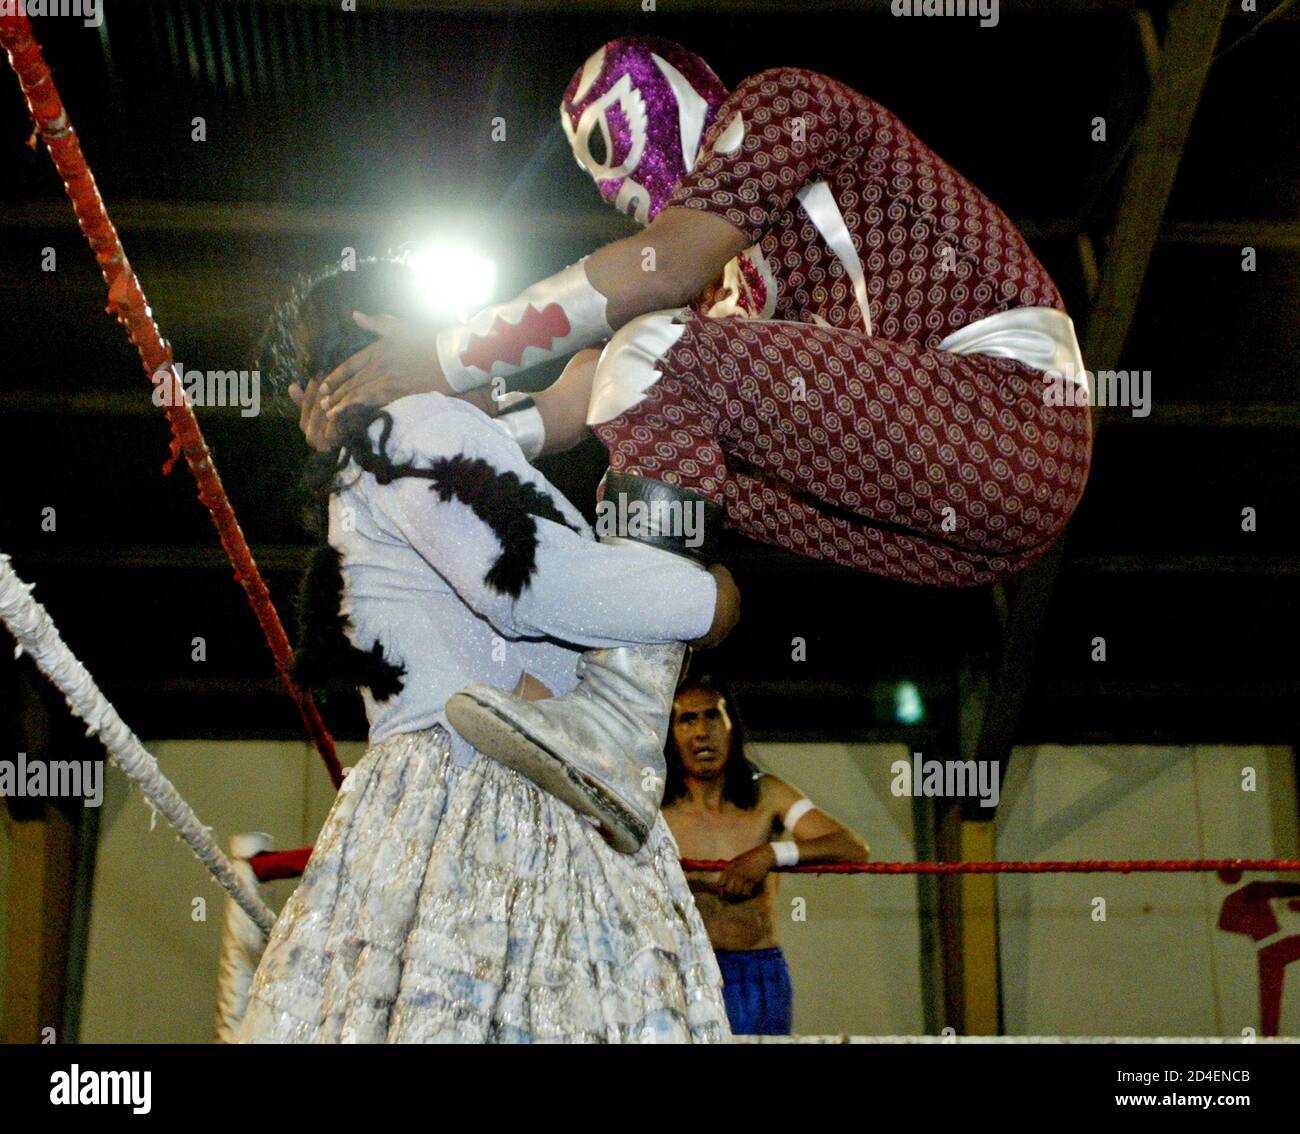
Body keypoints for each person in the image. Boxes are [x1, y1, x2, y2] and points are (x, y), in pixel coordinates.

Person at [296, 36, 1092, 852]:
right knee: (639, 409)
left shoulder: (782, 104)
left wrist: (444, 351)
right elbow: (587, 395)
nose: (615, 187)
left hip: (1014, 409)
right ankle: (617, 691)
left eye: (609, 144)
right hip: (964, 539)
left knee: (651, 352)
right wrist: (387, 431)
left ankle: (618, 717)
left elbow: (661, 271)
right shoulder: (732, 300)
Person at [236, 257, 739, 1042]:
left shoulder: (403, 443)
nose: (478, 341)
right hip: (493, 791)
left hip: (468, 788)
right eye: (458, 329)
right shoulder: (417, 427)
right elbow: (529, 581)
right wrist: (707, 602)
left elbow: (579, 386)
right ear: (381, 336)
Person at [662, 675, 870, 1036]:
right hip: (682, 968)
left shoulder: (768, 795)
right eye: (687, 719)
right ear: (671, 735)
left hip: (758, 970)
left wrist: (771, 853)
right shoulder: (656, 810)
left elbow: (851, 847)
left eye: (712, 717)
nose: (701, 732)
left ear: (731, 729)